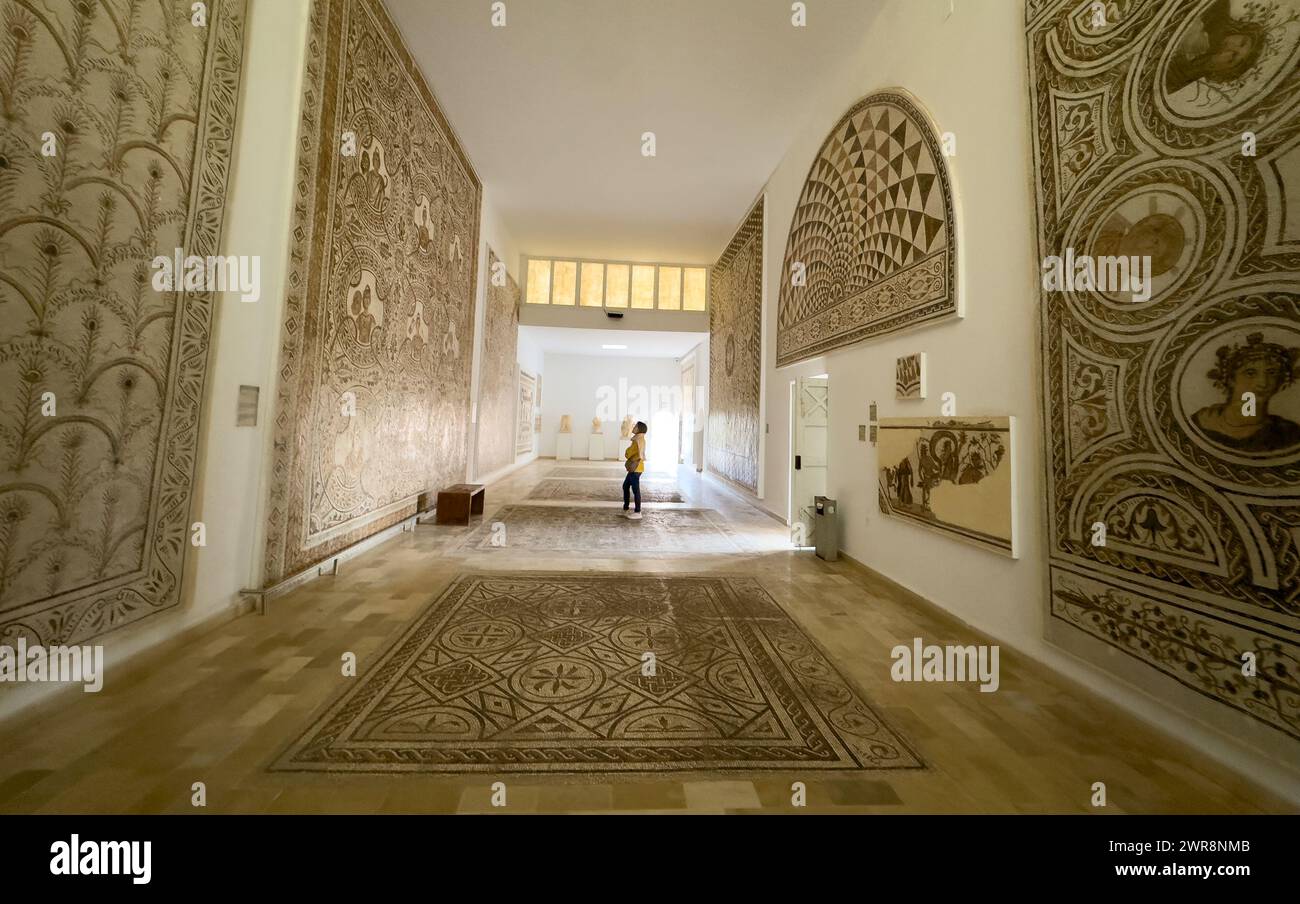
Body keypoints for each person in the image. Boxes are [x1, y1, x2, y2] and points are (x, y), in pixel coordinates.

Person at [622, 420, 648, 520]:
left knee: (635, 489)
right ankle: (626, 508)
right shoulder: (640, 439)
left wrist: (627, 451)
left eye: (635, 426)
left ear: (639, 429)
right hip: (637, 467)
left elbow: (628, 453)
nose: (633, 427)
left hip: (635, 468)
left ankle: (638, 512)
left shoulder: (637, 440)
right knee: (626, 486)